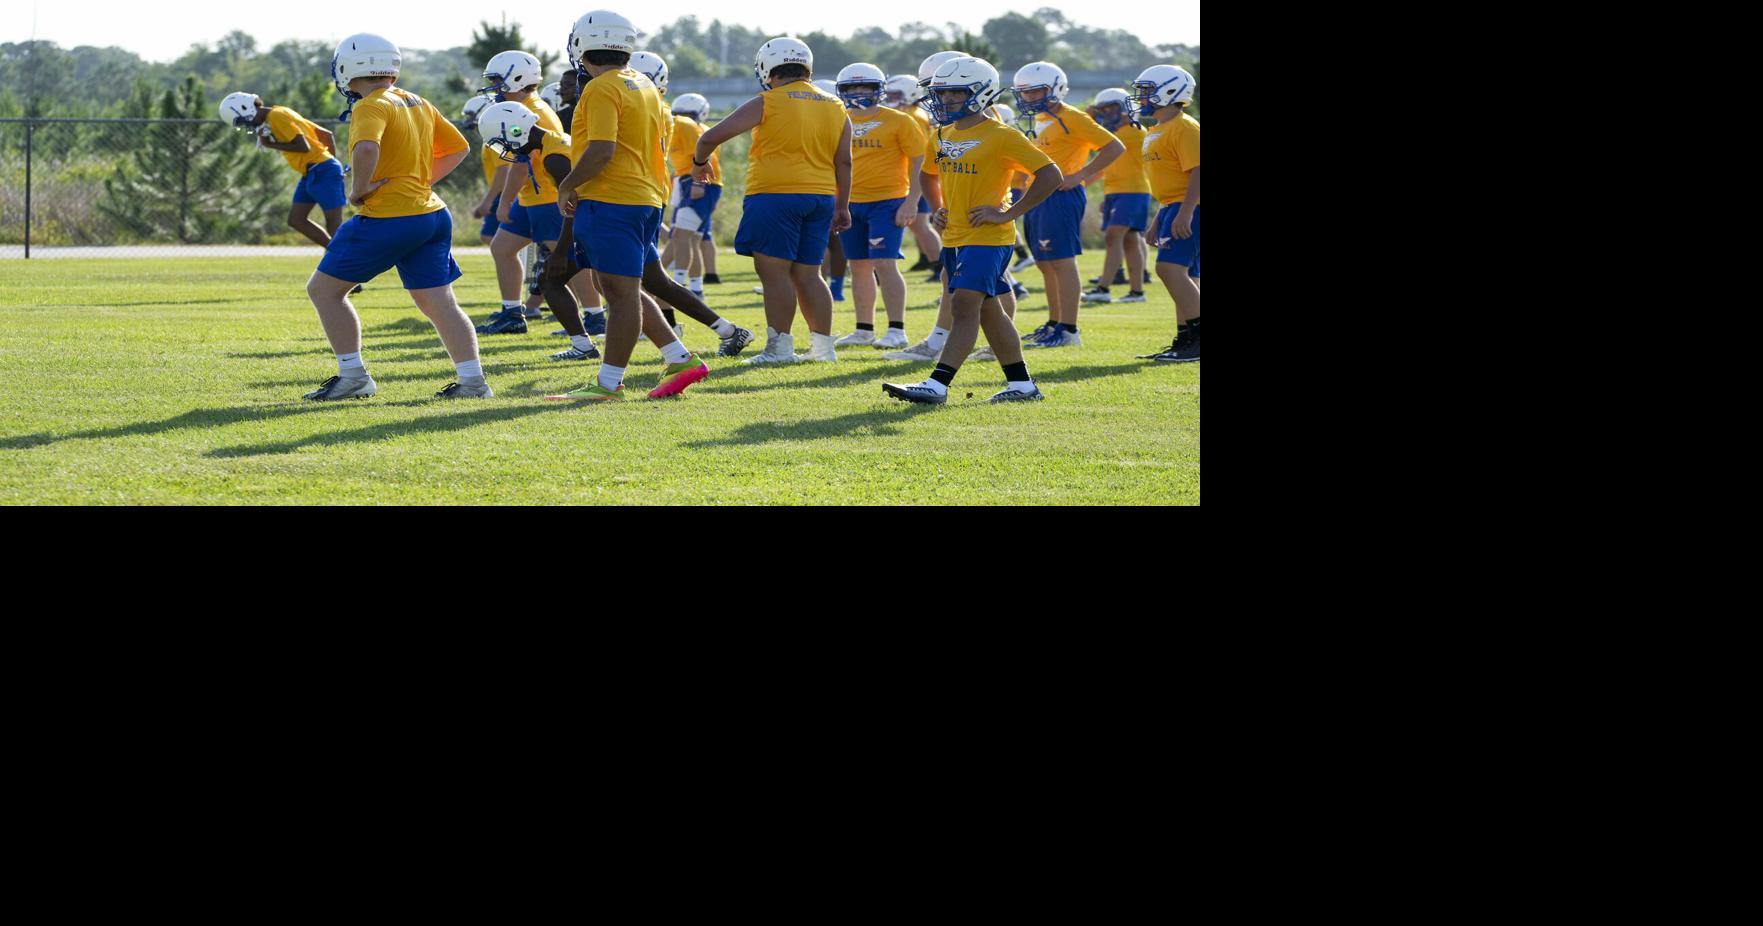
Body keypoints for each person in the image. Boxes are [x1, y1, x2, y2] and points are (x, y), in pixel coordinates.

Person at [302, 33, 490, 400]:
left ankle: (353, 376)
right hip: (432, 213)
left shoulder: (370, 105)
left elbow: (368, 147)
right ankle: (473, 382)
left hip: (391, 216)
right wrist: (420, 180)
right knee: (439, 302)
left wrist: (359, 189)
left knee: (324, 291)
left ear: (348, 69)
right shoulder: (417, 101)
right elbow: (459, 147)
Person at [548, 10, 711, 401]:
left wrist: (568, 185)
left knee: (619, 293)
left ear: (580, 45)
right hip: (643, 197)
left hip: (614, 199)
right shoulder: (642, 82)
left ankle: (608, 383)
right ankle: (679, 358)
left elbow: (602, 150)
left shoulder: (602, 88)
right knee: (618, 286)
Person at [880, 56, 1060, 405]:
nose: (945, 101)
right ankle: (1022, 385)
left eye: (954, 94)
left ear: (981, 93)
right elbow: (927, 174)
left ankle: (937, 384)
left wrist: (1009, 214)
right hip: (955, 236)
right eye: (941, 94)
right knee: (990, 311)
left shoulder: (1001, 135)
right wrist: (936, 209)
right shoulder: (941, 133)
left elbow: (1051, 174)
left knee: (962, 305)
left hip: (988, 238)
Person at [692, 36, 852, 364]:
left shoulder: (769, 100)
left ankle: (779, 348)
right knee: (810, 274)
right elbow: (845, 161)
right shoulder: (835, 104)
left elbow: (710, 136)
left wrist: (699, 163)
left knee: (774, 273)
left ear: (768, 68)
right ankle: (823, 349)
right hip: (821, 196)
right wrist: (842, 204)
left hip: (774, 195)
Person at [1011, 61, 1124, 348]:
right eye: (1024, 93)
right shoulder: (1041, 120)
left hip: (1060, 197)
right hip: (1037, 195)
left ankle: (1069, 329)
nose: (1028, 98)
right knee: (1046, 264)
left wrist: (1081, 175)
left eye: (1035, 92)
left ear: (1055, 89)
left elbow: (1115, 146)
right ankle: (1054, 323)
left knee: (1061, 261)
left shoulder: (1073, 117)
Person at [830, 62, 921, 351]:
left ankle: (897, 330)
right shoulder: (837, 119)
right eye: (852, 88)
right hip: (849, 202)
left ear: (878, 89)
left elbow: (920, 160)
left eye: (865, 87)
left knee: (885, 263)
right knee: (857, 266)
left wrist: (912, 200)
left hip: (888, 201)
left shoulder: (900, 120)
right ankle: (864, 329)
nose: (859, 92)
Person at [1130, 65, 1201, 363]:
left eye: (1147, 90)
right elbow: (1168, 180)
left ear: (1171, 91)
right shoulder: (1157, 129)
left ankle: (1197, 338)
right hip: (1174, 206)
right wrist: (1159, 218)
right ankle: (1185, 339)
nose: (1142, 97)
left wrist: (1185, 212)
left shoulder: (1184, 126)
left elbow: (1197, 170)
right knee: (1186, 275)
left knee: (1169, 269)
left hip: (1191, 207)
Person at [218, 92, 346, 248]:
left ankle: (345, 257)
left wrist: (270, 144)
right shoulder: (278, 113)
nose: (246, 125)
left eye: (242, 121)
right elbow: (326, 134)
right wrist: (332, 163)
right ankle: (335, 251)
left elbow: (302, 146)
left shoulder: (276, 116)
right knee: (296, 219)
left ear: (245, 108)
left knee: (333, 222)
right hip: (313, 171)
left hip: (321, 169)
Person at [1080, 88, 1152, 305]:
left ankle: (1103, 288)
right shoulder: (1121, 133)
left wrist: (1088, 118)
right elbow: (1108, 167)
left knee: (1113, 237)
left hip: (1133, 191)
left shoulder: (1133, 131)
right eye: (1103, 109)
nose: (1106, 113)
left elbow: (1099, 146)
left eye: (1111, 108)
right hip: (1119, 192)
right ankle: (1137, 292)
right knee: (1129, 240)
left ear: (1126, 110)